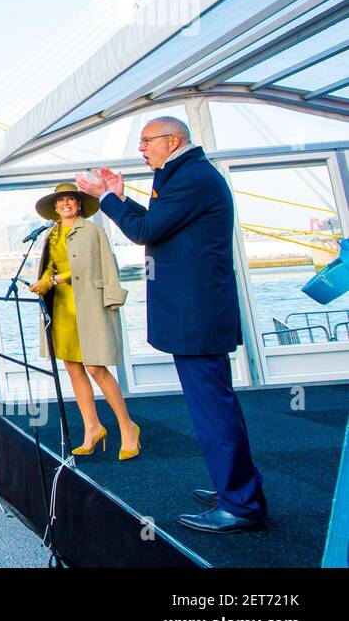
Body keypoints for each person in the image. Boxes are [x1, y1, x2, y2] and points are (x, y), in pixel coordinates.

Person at [76, 117, 267, 534]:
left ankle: (241, 504)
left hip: (197, 316)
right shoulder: (185, 176)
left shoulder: (191, 178)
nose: (141, 149)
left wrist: (107, 197)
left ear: (173, 140)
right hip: (198, 313)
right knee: (218, 406)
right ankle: (237, 488)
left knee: (213, 411)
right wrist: (121, 197)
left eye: (147, 141)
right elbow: (160, 225)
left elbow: (145, 231)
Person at [27, 183, 140, 459]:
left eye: (71, 200)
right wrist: (45, 279)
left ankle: (128, 427)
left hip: (88, 303)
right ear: (55, 207)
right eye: (61, 200)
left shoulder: (93, 231)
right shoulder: (51, 235)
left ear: (79, 205)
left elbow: (96, 267)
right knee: (72, 366)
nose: (66, 204)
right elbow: (51, 266)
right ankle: (92, 428)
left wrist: (55, 279)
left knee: (95, 367)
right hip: (63, 306)